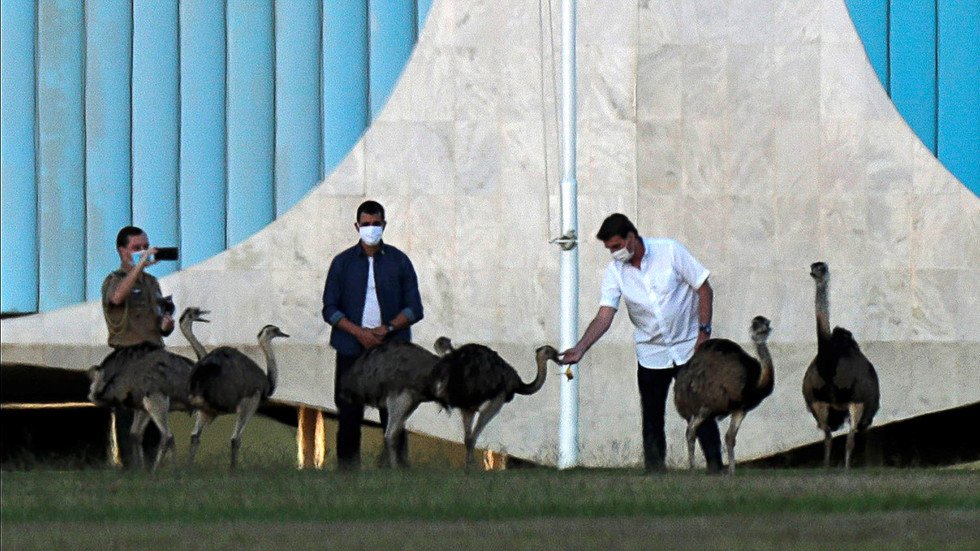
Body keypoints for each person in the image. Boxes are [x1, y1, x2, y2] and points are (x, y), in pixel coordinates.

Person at [559, 213, 723, 473]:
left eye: (616, 246)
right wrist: (580, 348)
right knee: (652, 415)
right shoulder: (615, 273)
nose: (614, 253)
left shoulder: (670, 251)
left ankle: (716, 467)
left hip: (688, 346)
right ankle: (655, 471)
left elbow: (704, 288)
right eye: (609, 249)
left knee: (699, 409)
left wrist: (703, 334)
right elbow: (604, 315)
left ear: (631, 238)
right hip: (651, 352)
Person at [322, 200, 424, 469]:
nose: (371, 229)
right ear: (357, 227)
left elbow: (415, 308)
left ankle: (397, 470)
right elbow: (329, 309)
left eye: (375, 224)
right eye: (365, 225)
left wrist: (387, 328)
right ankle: (347, 474)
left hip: (391, 352)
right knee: (348, 414)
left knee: (393, 415)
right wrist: (358, 332)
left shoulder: (399, 261)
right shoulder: (342, 263)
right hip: (350, 350)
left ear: (384, 225)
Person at [99, 225, 176, 466]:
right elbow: (117, 298)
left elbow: (158, 318)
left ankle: (153, 465)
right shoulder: (114, 280)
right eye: (136, 249)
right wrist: (138, 266)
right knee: (129, 414)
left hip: (153, 353)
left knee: (156, 412)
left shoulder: (152, 283)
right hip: (128, 355)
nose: (143, 252)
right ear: (123, 251)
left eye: (145, 247)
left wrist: (166, 325)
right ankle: (130, 467)